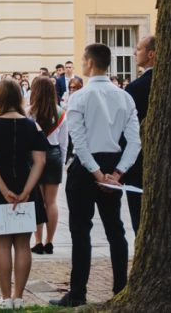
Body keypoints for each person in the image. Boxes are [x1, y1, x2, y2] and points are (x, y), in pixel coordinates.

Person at [51, 44, 141, 308]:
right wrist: (117, 173)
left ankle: (78, 292)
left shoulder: (80, 97)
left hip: (86, 168)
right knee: (116, 229)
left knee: (81, 231)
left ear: (89, 63)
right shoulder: (124, 97)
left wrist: (96, 172)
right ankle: (120, 287)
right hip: (113, 166)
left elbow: (78, 140)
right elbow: (135, 142)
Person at [0, 79, 48, 310]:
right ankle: (19, 297)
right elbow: (40, 161)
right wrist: (27, 190)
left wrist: (4, 189)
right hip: (26, 184)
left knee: (2, 245)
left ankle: (6, 298)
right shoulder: (32, 125)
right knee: (24, 244)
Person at [30, 75, 67, 255]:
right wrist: (61, 160)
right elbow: (64, 142)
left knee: (37, 201)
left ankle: (37, 241)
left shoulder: (29, 112)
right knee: (51, 202)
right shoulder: (60, 112)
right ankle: (49, 242)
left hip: (35, 156)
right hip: (54, 155)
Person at [123, 35, 153, 235]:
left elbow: (127, 129)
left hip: (140, 162)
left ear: (151, 54)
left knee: (138, 216)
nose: (135, 53)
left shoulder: (135, 88)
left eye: (139, 49)